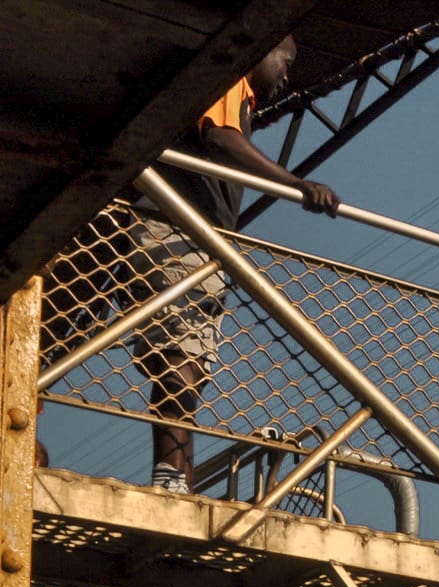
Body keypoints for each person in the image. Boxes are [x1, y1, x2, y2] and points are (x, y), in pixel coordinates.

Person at [130, 36, 342, 493]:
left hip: (199, 243)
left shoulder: (240, 101)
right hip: (177, 233)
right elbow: (219, 136)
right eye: (285, 61)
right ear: (259, 50)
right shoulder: (228, 80)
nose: (286, 77)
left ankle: (177, 477)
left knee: (192, 359)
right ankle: (169, 476)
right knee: (178, 355)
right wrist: (296, 184)